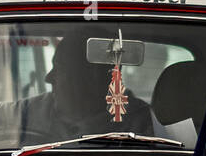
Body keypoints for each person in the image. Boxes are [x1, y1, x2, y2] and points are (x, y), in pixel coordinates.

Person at [19, 31, 154, 141]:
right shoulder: (37, 109)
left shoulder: (141, 125)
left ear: (93, 77)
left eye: (59, 67)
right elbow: (1, 113)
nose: (48, 78)